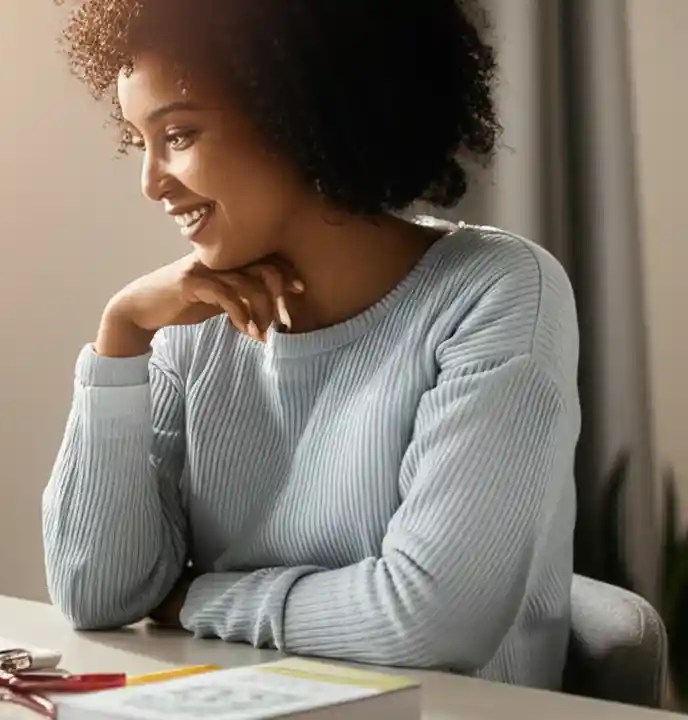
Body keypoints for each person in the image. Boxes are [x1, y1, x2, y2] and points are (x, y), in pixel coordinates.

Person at [41, 0, 579, 689]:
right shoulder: (195, 325)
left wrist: (196, 599)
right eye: (138, 141)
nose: (151, 183)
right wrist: (121, 339)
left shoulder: (497, 291)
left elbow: (429, 620)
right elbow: (96, 593)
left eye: (177, 134)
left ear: (297, 112)